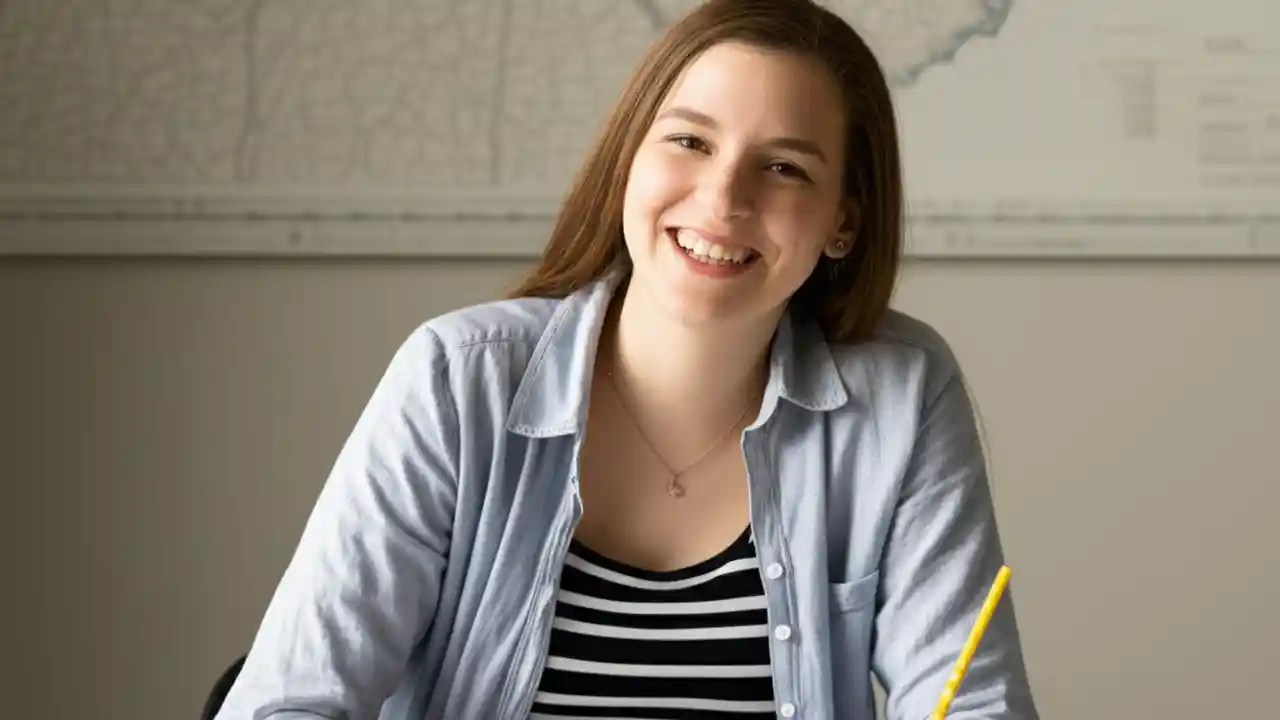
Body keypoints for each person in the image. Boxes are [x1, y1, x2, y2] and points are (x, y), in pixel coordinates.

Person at [215, 1, 1038, 718]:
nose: (723, 200)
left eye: (784, 168)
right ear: (629, 163)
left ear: (842, 224)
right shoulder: (456, 376)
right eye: (689, 141)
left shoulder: (902, 393)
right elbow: (289, 702)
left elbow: (975, 703)